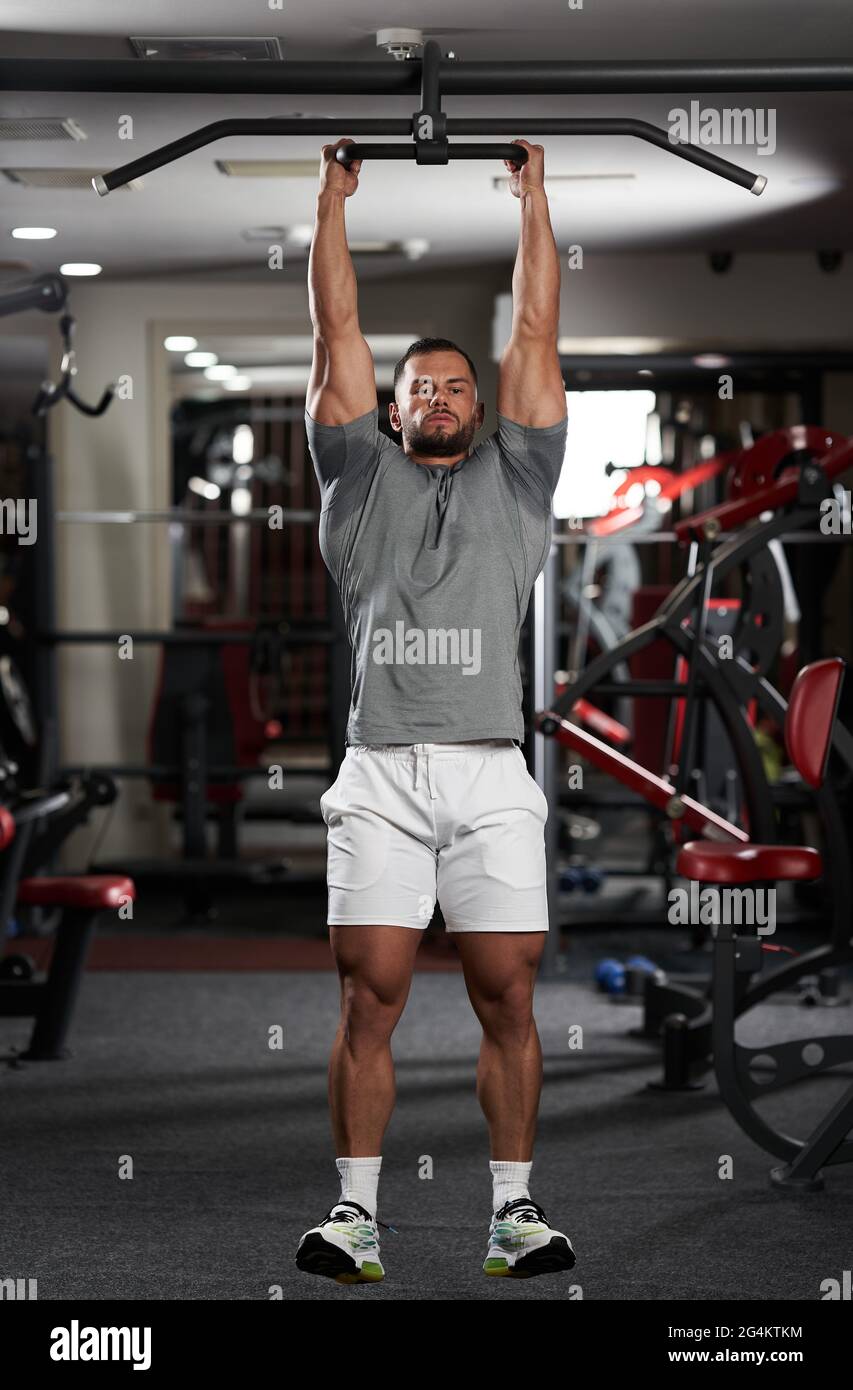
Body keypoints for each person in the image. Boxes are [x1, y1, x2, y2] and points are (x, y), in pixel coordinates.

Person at [296, 135, 574, 1285]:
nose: (445, 396)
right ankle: (354, 1213)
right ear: (397, 411)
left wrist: (533, 200)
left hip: (488, 771)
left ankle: (513, 1212)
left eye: (460, 386)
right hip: (380, 772)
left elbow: (537, 334)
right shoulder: (355, 481)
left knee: (507, 990)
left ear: (481, 408)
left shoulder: (522, 480)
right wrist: (331, 201)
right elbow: (335, 333)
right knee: (371, 992)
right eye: (425, 388)